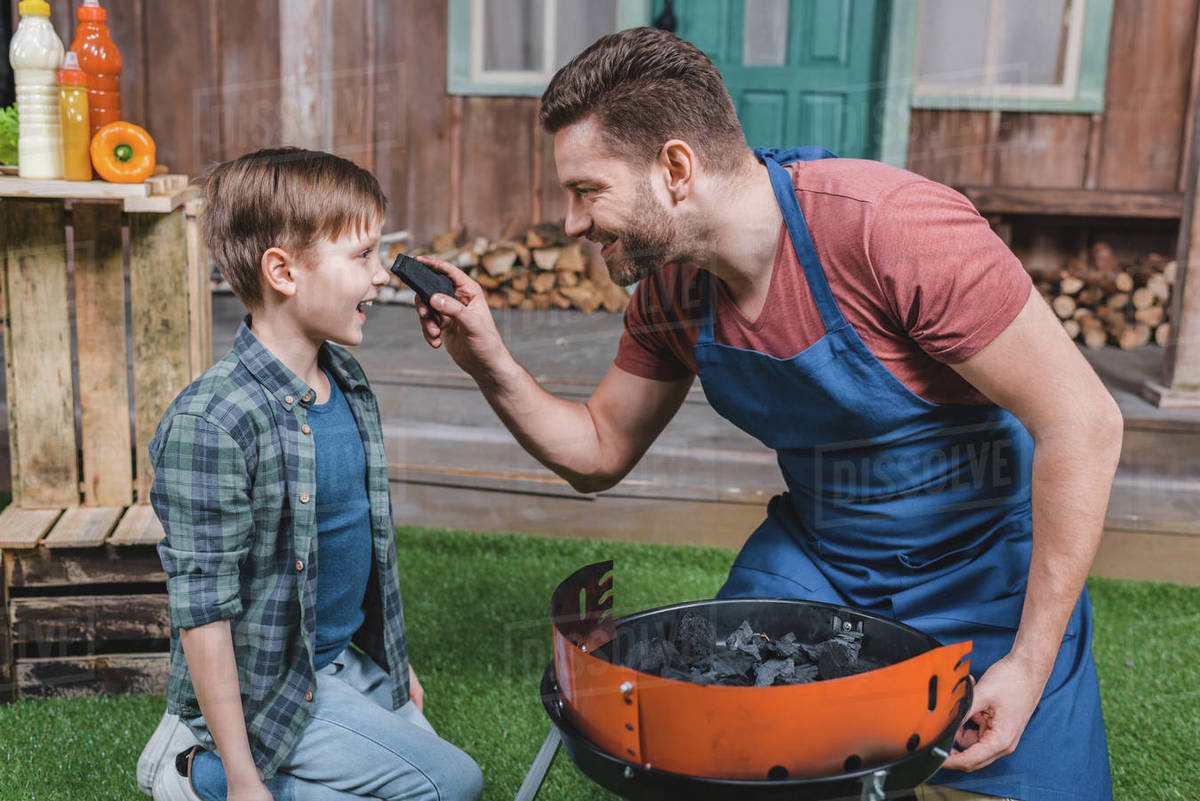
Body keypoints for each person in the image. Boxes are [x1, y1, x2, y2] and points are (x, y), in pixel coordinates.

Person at [410, 27, 1119, 801]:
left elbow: (1082, 421)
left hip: (982, 557)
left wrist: (1029, 658)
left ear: (676, 168)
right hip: (821, 554)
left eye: (587, 190)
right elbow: (599, 449)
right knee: (726, 744)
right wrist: (490, 362)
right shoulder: (673, 293)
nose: (573, 223)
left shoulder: (892, 229)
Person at [137, 147, 483, 801]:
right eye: (362, 257)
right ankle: (192, 771)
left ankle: (248, 753)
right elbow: (204, 614)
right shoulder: (211, 421)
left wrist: (394, 670)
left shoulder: (344, 379)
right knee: (453, 784)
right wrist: (244, 780)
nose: (380, 277)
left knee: (426, 775)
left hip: (341, 664)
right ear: (283, 271)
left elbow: (358, 538)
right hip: (269, 682)